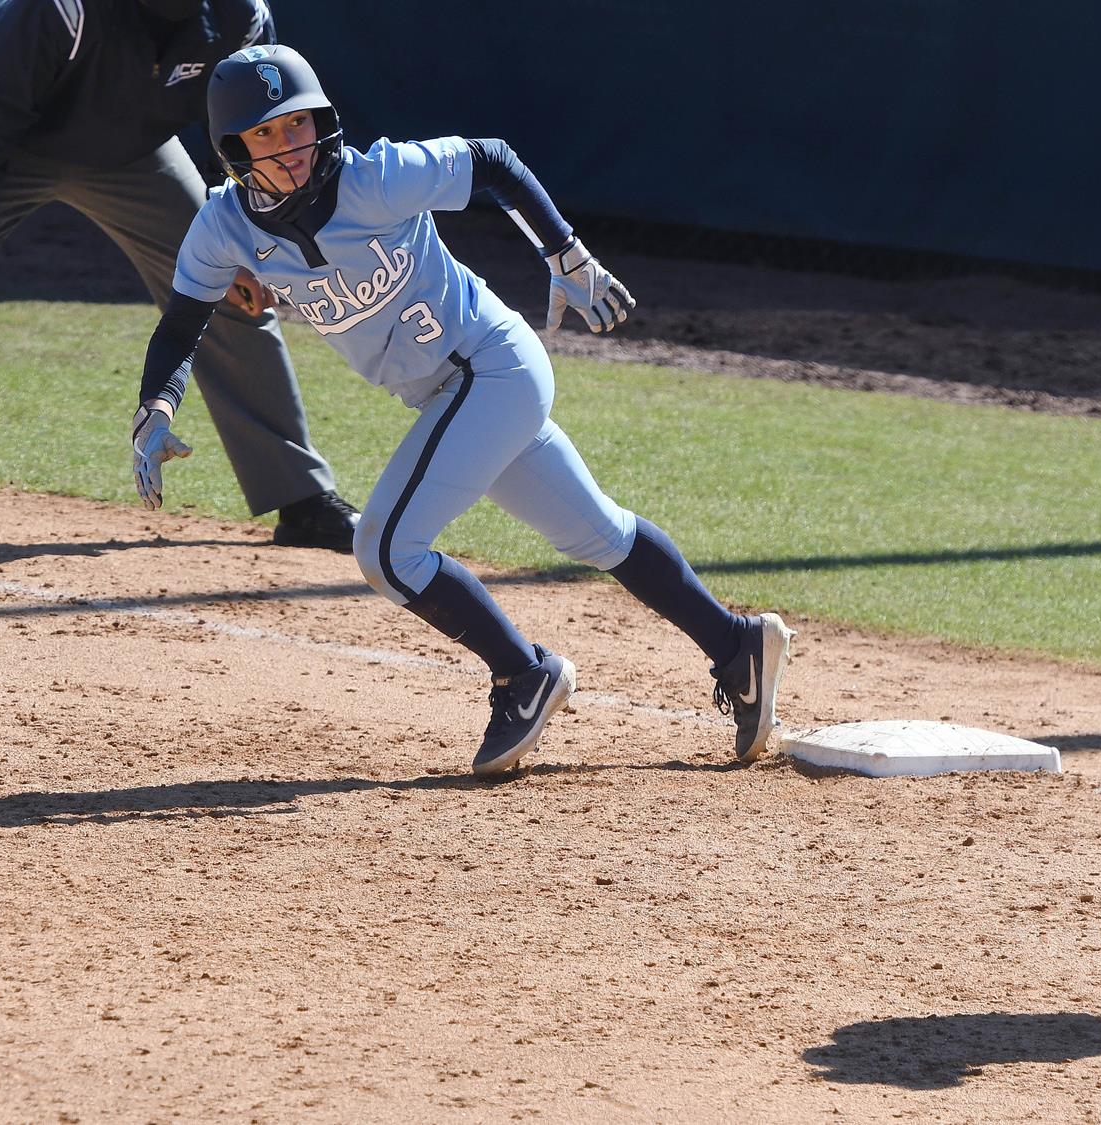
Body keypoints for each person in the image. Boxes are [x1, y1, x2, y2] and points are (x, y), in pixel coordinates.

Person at [130, 45, 794, 776]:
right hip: (452, 393)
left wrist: (566, 255)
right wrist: (156, 407)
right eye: (267, 132)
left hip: (492, 368)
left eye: (299, 123)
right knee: (599, 533)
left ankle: (524, 673)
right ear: (234, 148)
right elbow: (182, 323)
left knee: (386, 549)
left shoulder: (376, 178)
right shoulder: (224, 227)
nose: (290, 143)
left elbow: (493, 159)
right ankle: (738, 646)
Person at [0, 0, 360, 551]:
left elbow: (244, 134)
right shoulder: (62, 8)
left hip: (134, 151)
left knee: (232, 291)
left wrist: (246, 241)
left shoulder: (240, 16)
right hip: (12, 138)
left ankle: (302, 497)